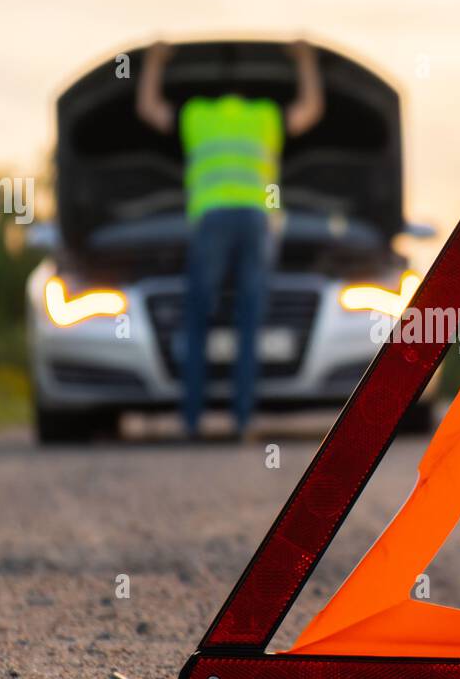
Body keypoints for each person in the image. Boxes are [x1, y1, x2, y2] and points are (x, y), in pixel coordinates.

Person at [136, 39, 324, 439]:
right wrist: (306, 61)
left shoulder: (197, 115)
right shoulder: (265, 116)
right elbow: (312, 111)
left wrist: (154, 62)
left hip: (211, 220)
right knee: (249, 317)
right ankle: (242, 420)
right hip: (255, 221)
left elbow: (148, 110)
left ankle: (191, 420)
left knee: (199, 315)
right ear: (248, 95)